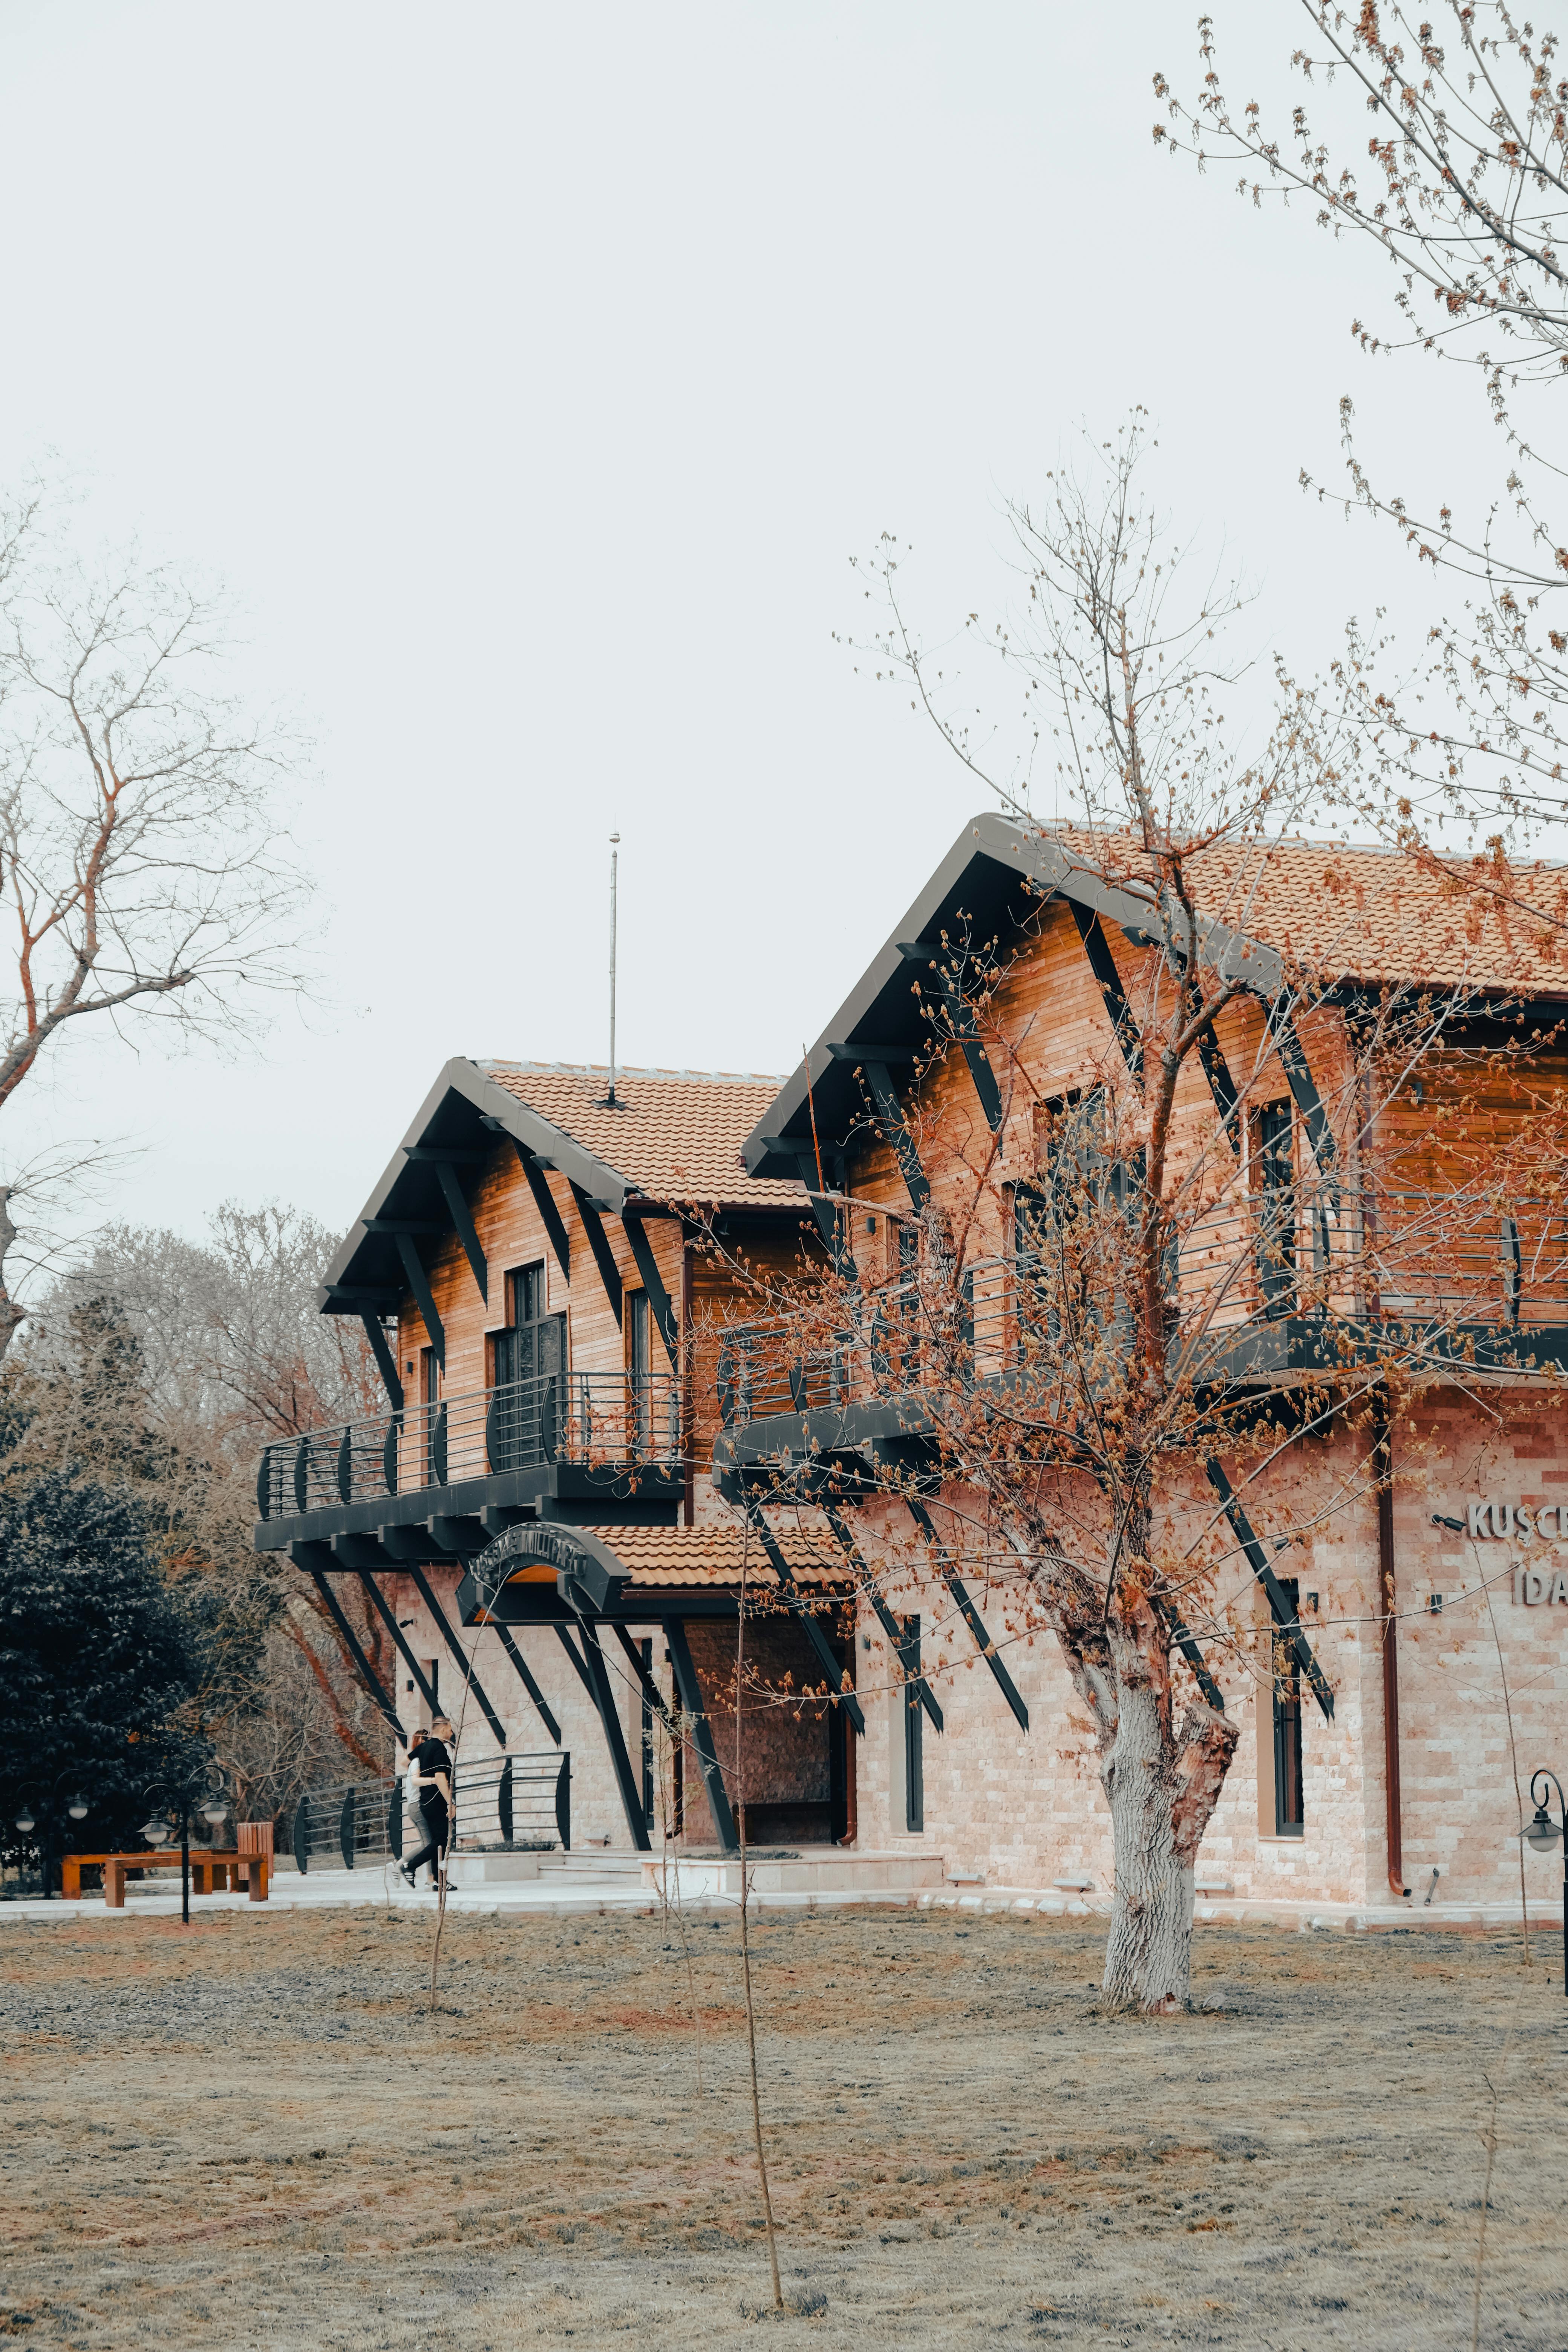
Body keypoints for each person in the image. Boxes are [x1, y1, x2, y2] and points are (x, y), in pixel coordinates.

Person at [399, 1715, 453, 1890]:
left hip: (425, 1802)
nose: (452, 1734)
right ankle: (411, 1866)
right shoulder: (439, 1749)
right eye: (450, 1730)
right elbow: (440, 1778)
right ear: (444, 1729)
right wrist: (450, 1803)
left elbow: (404, 1762)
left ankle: (439, 1882)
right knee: (441, 1840)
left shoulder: (423, 1748)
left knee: (439, 1841)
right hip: (436, 1802)